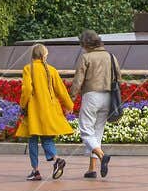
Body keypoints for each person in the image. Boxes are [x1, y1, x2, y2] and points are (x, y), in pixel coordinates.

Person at [16, 44, 71, 180]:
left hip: (34, 110)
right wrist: (69, 105)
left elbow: (27, 89)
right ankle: (56, 159)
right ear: (44, 55)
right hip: (49, 109)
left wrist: (22, 105)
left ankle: (35, 170)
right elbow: (61, 90)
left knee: (33, 140)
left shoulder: (28, 69)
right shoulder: (51, 70)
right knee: (47, 138)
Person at [70, 30, 119, 179]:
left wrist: (71, 97)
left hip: (91, 96)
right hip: (108, 97)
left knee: (85, 131)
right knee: (97, 133)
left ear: (85, 43)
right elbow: (119, 76)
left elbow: (78, 80)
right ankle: (91, 169)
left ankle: (102, 155)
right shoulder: (111, 56)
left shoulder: (86, 57)